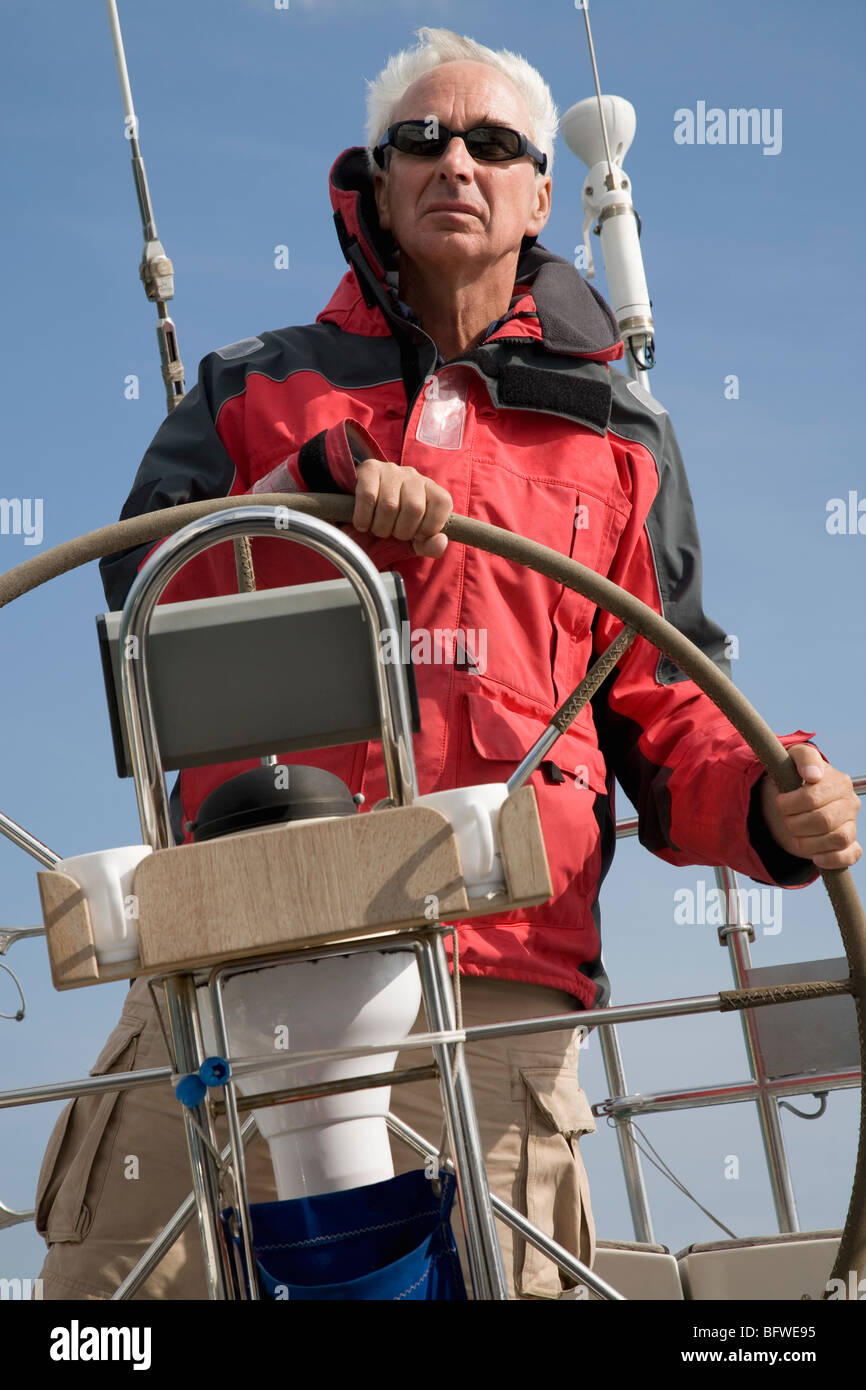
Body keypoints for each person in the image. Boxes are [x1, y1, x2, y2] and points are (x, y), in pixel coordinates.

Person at [35, 27, 860, 1301]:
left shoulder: (616, 437)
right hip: (235, 943)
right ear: (373, 179)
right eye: (417, 139)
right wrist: (294, 496)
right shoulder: (251, 392)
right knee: (105, 1316)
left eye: (490, 143)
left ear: (539, 190)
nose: (452, 162)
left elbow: (658, 696)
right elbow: (140, 603)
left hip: (497, 969)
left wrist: (765, 803)